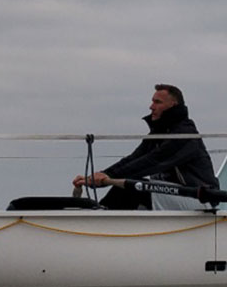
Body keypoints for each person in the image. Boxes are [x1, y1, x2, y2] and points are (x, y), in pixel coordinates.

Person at [72, 84, 219, 209]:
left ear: (173, 105)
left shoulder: (185, 135)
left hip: (199, 199)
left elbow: (153, 161)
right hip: (171, 195)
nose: (151, 107)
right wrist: (100, 175)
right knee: (127, 186)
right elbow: (133, 159)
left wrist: (109, 176)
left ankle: (99, 222)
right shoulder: (158, 133)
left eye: (157, 102)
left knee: (131, 188)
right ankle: (100, 216)